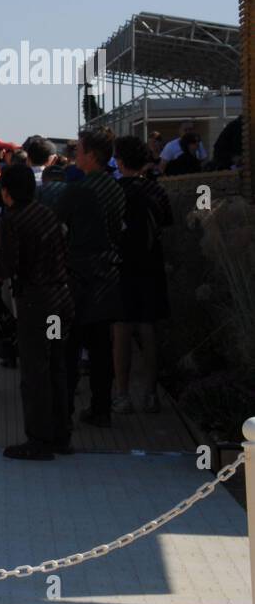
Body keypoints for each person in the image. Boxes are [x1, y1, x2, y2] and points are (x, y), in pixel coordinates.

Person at [0, 163, 74, 460]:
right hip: (60, 298)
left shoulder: (13, 219)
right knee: (57, 365)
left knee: (35, 370)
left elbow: (7, 265)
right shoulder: (46, 213)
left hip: (35, 302)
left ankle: (38, 439)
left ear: (7, 192)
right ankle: (61, 434)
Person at [57, 127, 124, 429]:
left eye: (80, 151)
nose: (75, 156)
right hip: (108, 273)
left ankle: (65, 409)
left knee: (70, 347)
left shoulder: (80, 190)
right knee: (100, 348)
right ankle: (101, 409)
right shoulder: (115, 188)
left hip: (79, 274)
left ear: (92, 156)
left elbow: (61, 228)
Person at [111, 135, 172, 415]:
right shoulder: (156, 191)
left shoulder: (113, 191)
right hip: (151, 266)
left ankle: (122, 395)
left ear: (119, 162)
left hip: (120, 267)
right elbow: (167, 225)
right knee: (149, 331)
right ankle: (150, 395)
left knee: (121, 331)